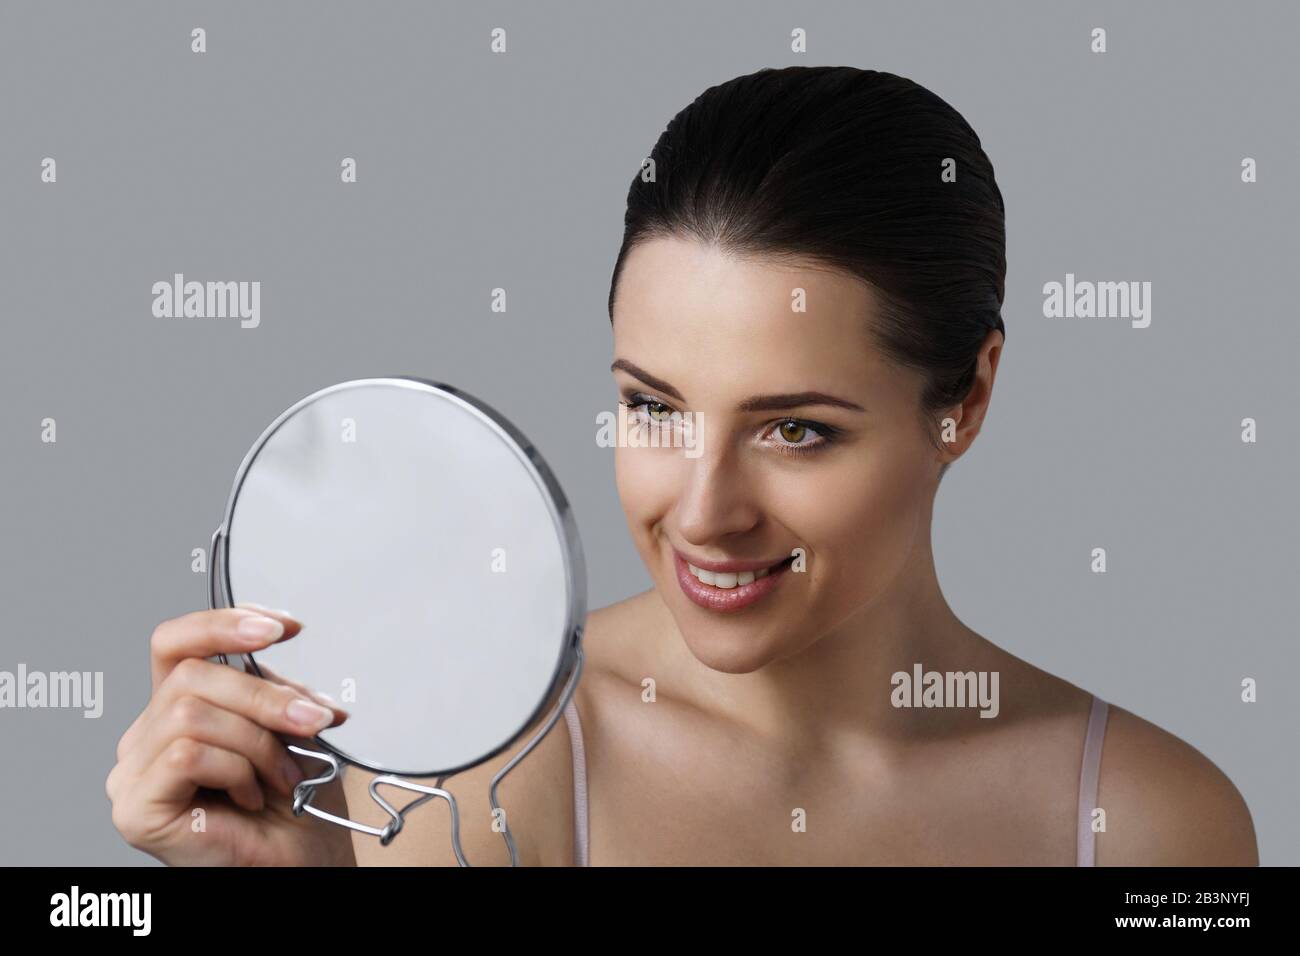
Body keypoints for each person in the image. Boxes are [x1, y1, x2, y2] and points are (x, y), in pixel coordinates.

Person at [107, 65, 1258, 866]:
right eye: (652, 408)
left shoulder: (1149, 822)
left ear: (965, 398)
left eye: (795, 428)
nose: (702, 512)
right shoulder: (490, 774)